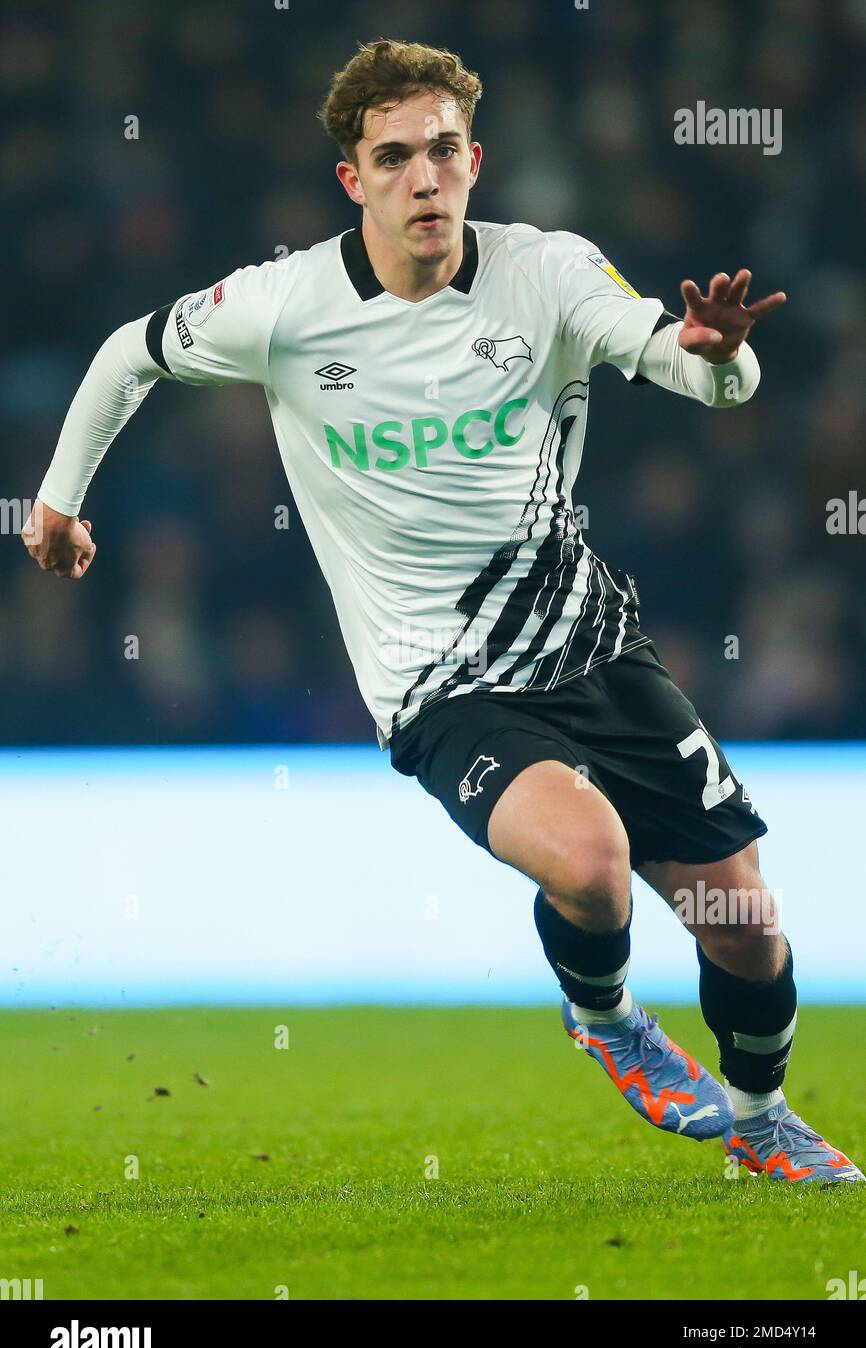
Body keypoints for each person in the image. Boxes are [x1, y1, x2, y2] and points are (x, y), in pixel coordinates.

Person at [23, 37, 862, 1183]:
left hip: (589, 645)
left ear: (476, 161)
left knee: (746, 929)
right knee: (589, 858)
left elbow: (690, 366)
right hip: (438, 683)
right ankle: (607, 1015)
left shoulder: (549, 271)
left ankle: (759, 1116)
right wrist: (60, 503)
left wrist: (717, 357)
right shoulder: (283, 306)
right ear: (353, 180)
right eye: (395, 157)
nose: (424, 177)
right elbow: (130, 353)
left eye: (444, 152)